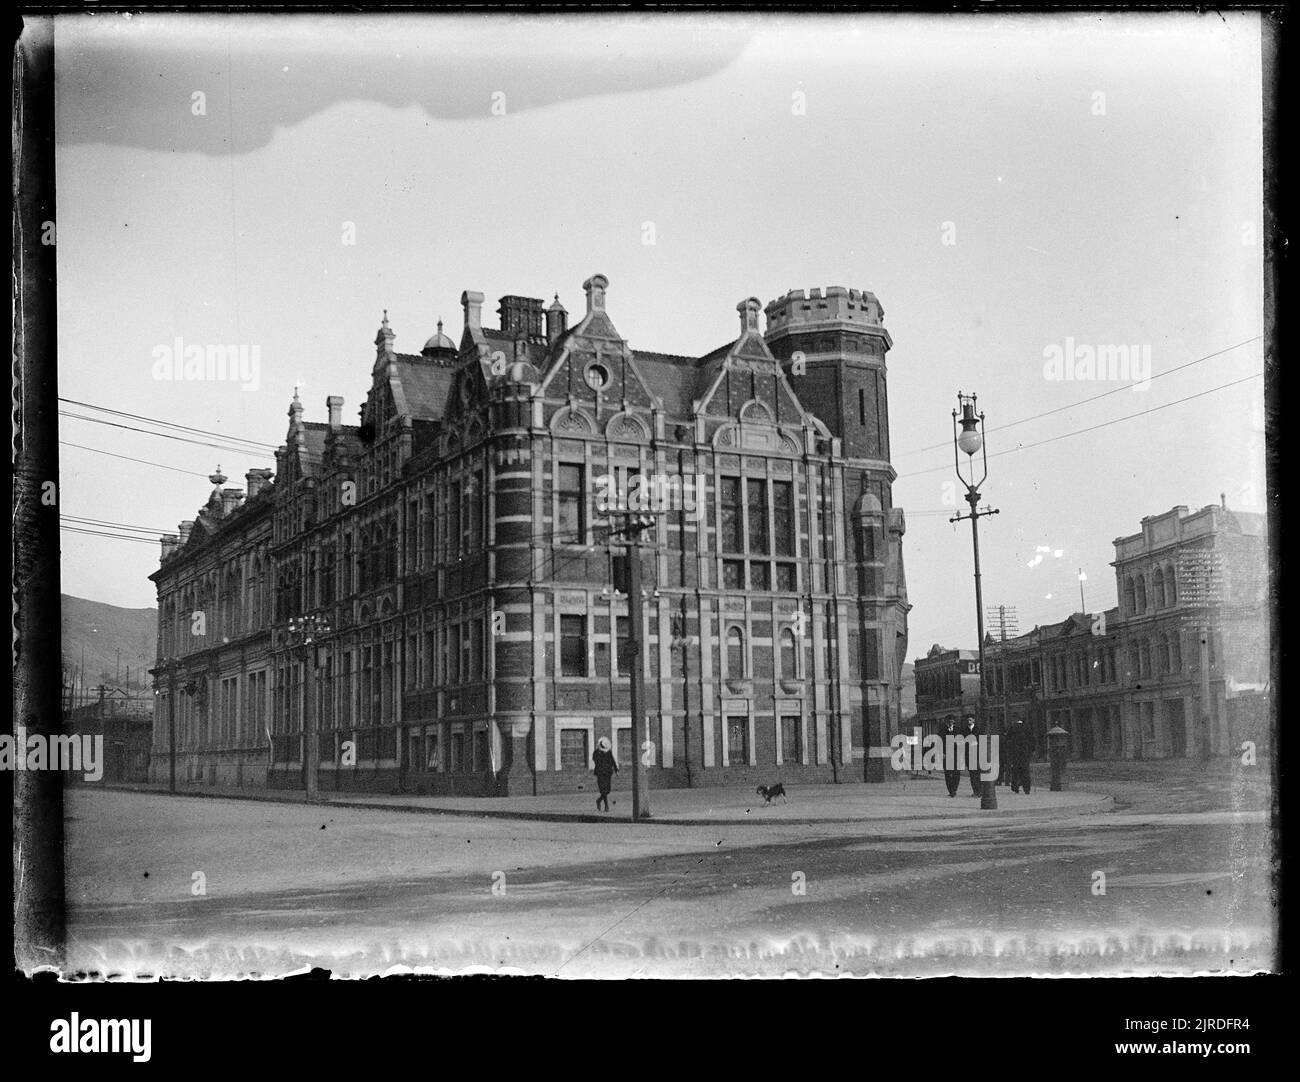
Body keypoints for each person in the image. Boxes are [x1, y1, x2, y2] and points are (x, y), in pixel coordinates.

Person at [593, 736, 618, 812]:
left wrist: (616, 770)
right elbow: (596, 761)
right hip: (600, 773)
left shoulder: (609, 752)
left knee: (607, 790)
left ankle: (599, 800)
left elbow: (612, 761)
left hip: (607, 773)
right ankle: (606, 805)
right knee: (603, 789)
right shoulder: (596, 753)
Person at [1007, 718, 1032, 794]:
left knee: (1015, 771)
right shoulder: (1027, 728)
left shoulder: (1013, 728)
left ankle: (1015, 787)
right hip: (1024, 753)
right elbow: (1031, 740)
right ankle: (1027, 788)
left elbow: (1008, 740)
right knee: (1025, 771)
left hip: (1015, 754)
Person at [941, 716, 961, 797]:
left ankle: (954, 789)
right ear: (946, 723)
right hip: (946, 755)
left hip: (956, 754)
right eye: (949, 722)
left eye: (952, 722)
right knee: (948, 773)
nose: (950, 724)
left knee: (956, 773)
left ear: (954, 722)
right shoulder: (942, 730)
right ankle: (950, 790)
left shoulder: (958, 730)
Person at [964, 714, 982, 796]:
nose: (969, 721)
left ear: (974, 720)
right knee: (972, 774)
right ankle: (975, 791)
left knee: (978, 773)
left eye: (970, 720)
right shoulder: (964, 730)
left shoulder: (978, 729)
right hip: (968, 755)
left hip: (977, 754)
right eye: (968, 720)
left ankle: (979, 790)